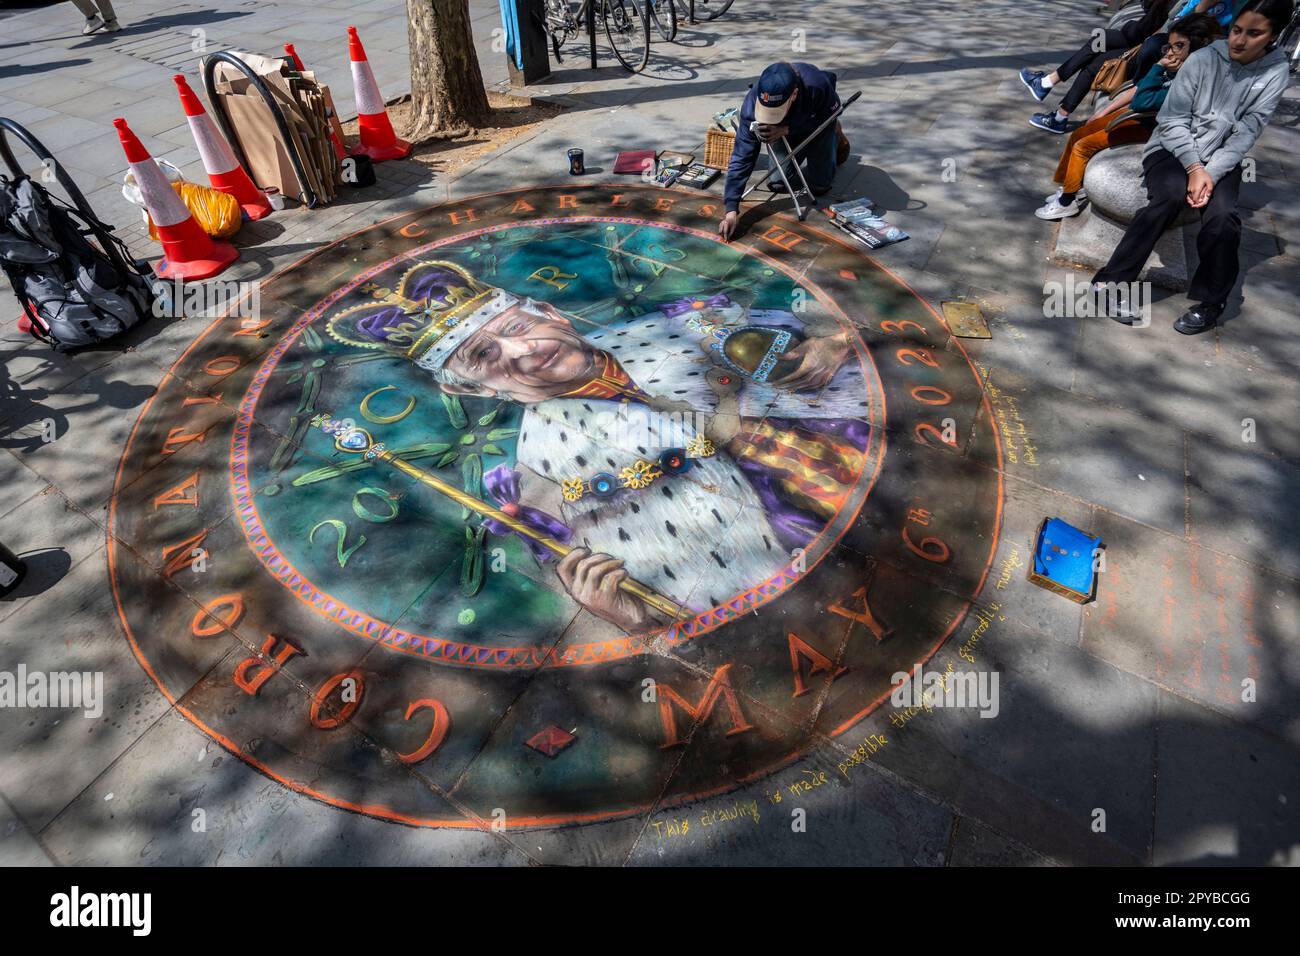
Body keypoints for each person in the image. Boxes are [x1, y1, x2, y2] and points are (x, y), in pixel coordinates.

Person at [326, 261, 872, 632]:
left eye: (519, 325)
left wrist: (835, 342)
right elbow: (696, 610)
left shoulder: (674, 325)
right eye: (484, 357)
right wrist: (630, 616)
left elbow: (828, 320)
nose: (523, 352)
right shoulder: (544, 472)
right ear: (465, 388)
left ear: (551, 311)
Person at [1092, 0, 1294, 333]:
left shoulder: (1275, 70)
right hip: (1173, 147)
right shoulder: (1203, 59)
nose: (1239, 41)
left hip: (1222, 157)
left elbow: (1248, 129)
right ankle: (1110, 283)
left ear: (1273, 36)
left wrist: (1209, 174)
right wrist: (1193, 167)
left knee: (1224, 217)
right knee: (1168, 198)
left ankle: (1212, 302)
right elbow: (1172, 119)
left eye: (1254, 33)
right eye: (1238, 30)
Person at [1035, 14, 1222, 220]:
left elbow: (1143, 101)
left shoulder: (1194, 77)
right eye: (1169, 45)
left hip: (1155, 129)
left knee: (1083, 146)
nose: (1170, 52)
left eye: (1179, 46)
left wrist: (1158, 67)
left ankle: (1066, 202)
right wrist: (1103, 112)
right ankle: (1070, 187)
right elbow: (1140, 88)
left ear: (1199, 46)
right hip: (1143, 116)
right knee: (1079, 133)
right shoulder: (1178, 63)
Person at [717, 62, 851, 241]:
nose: (769, 116)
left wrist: (787, 129)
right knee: (779, 184)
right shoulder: (751, 104)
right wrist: (731, 210)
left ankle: (835, 138)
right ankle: (797, 141)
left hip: (816, 121)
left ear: (794, 94)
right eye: (766, 112)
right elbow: (742, 156)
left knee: (820, 186)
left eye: (775, 112)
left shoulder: (816, 84)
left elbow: (832, 114)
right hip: (783, 129)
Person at [1020, 0, 1177, 133]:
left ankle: (1051, 94)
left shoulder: (1187, 7)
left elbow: (1145, 32)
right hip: (1138, 42)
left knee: (1095, 59)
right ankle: (1049, 89)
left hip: (1142, 52)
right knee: (1098, 41)